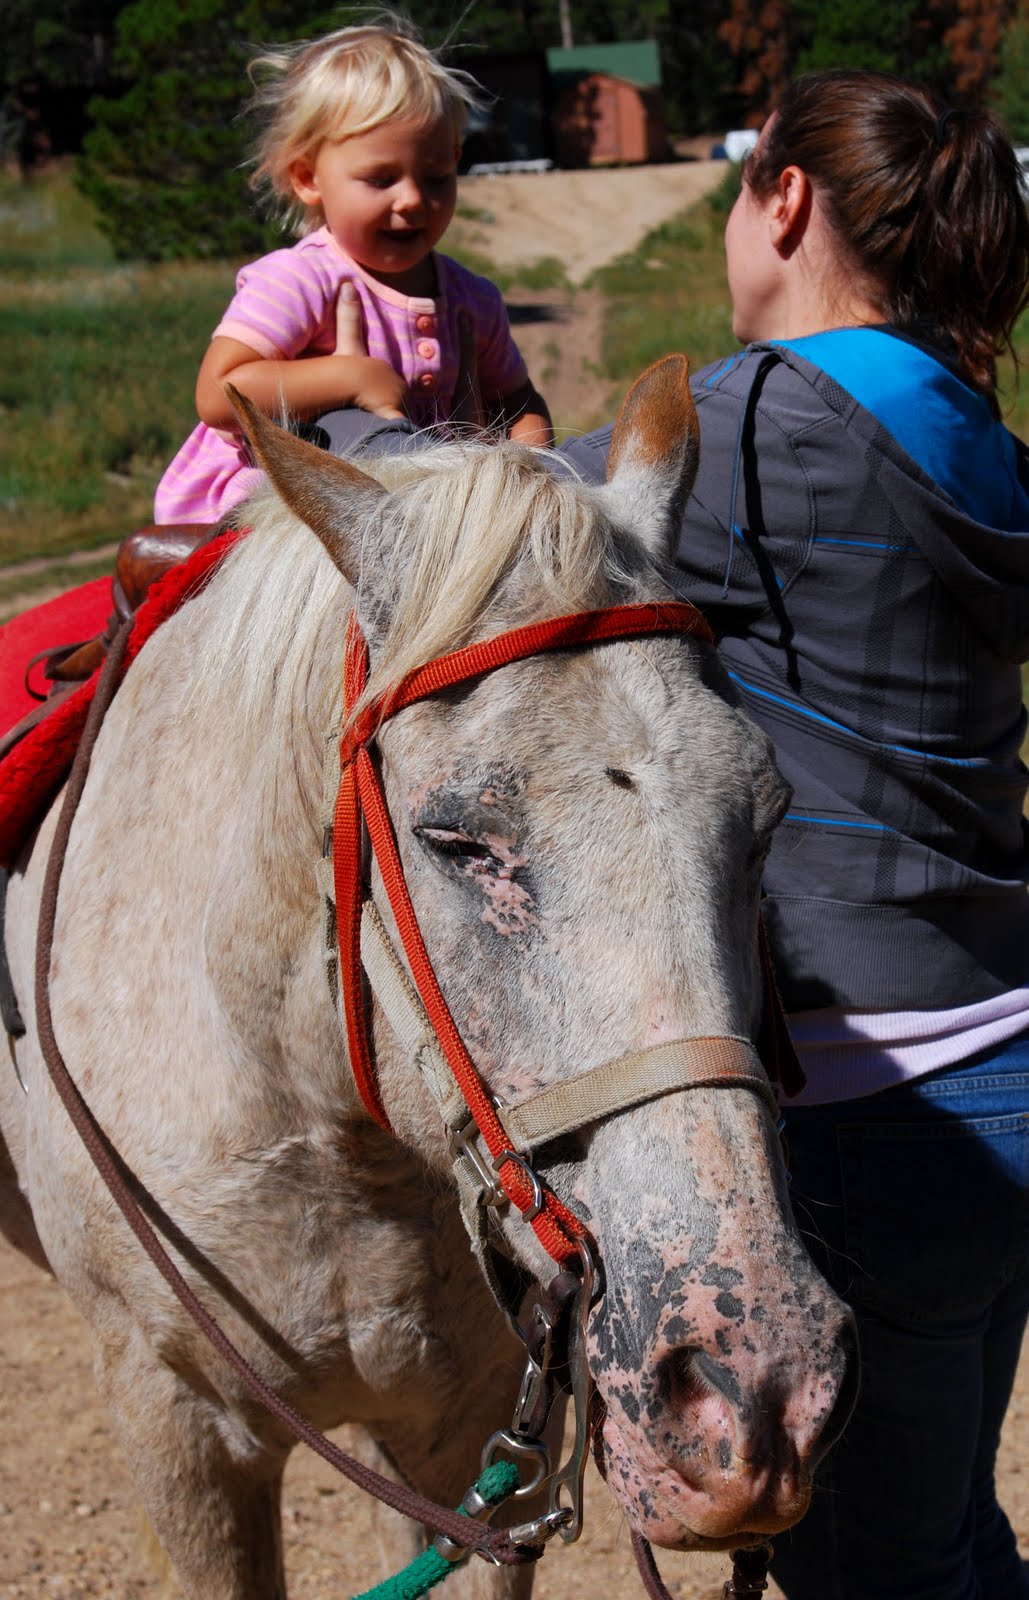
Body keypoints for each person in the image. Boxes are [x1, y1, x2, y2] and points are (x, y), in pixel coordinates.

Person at [316, 68, 1029, 1600]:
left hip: (866, 1101)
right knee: (950, 1531)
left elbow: (490, 515)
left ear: (785, 199)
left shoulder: (769, 427)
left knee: (879, 1576)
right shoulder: (969, 423)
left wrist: (348, 414)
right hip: (1005, 1056)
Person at [154, 21, 552, 525]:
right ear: (307, 178)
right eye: (381, 179)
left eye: (436, 177)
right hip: (291, 501)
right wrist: (348, 378)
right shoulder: (302, 280)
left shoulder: (473, 299)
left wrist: (528, 466)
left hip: (424, 508)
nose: (412, 200)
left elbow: (516, 398)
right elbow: (218, 393)